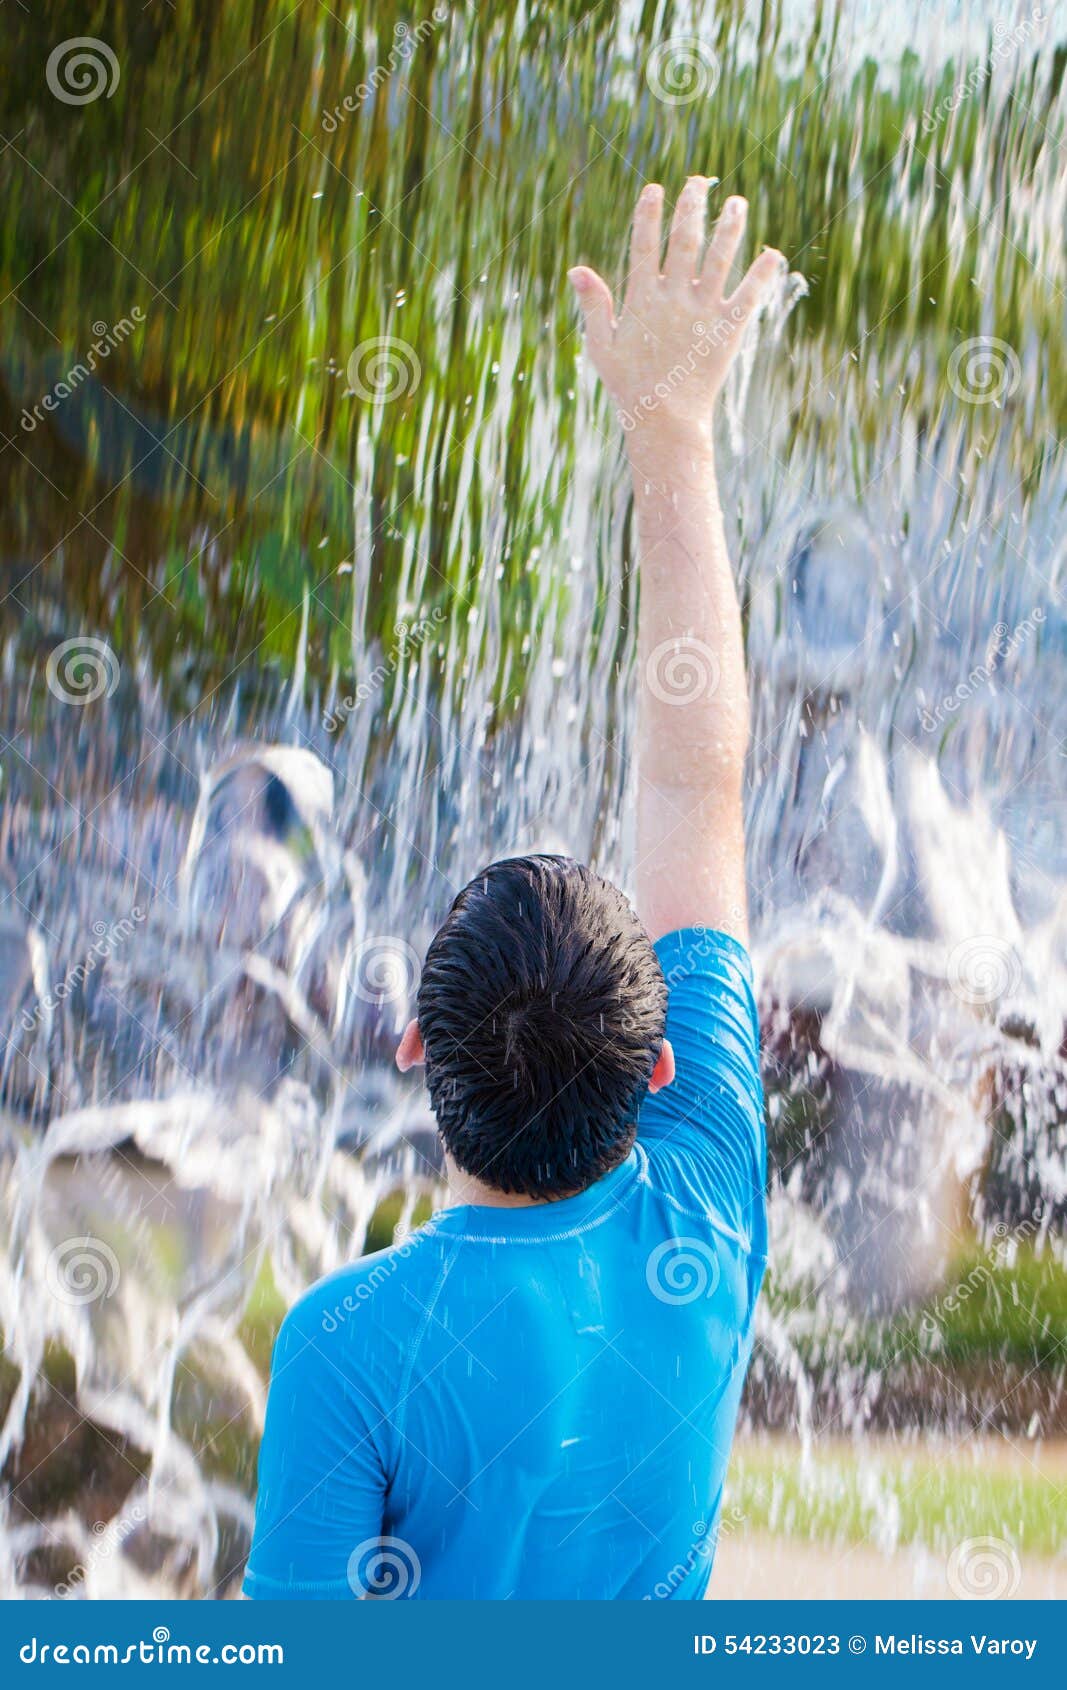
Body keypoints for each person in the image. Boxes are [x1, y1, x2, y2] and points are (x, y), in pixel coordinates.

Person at [243, 177, 783, 1601]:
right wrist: (672, 430)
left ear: (415, 1047)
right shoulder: (705, 1208)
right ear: (662, 1065)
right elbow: (698, 787)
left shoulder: (347, 1344)